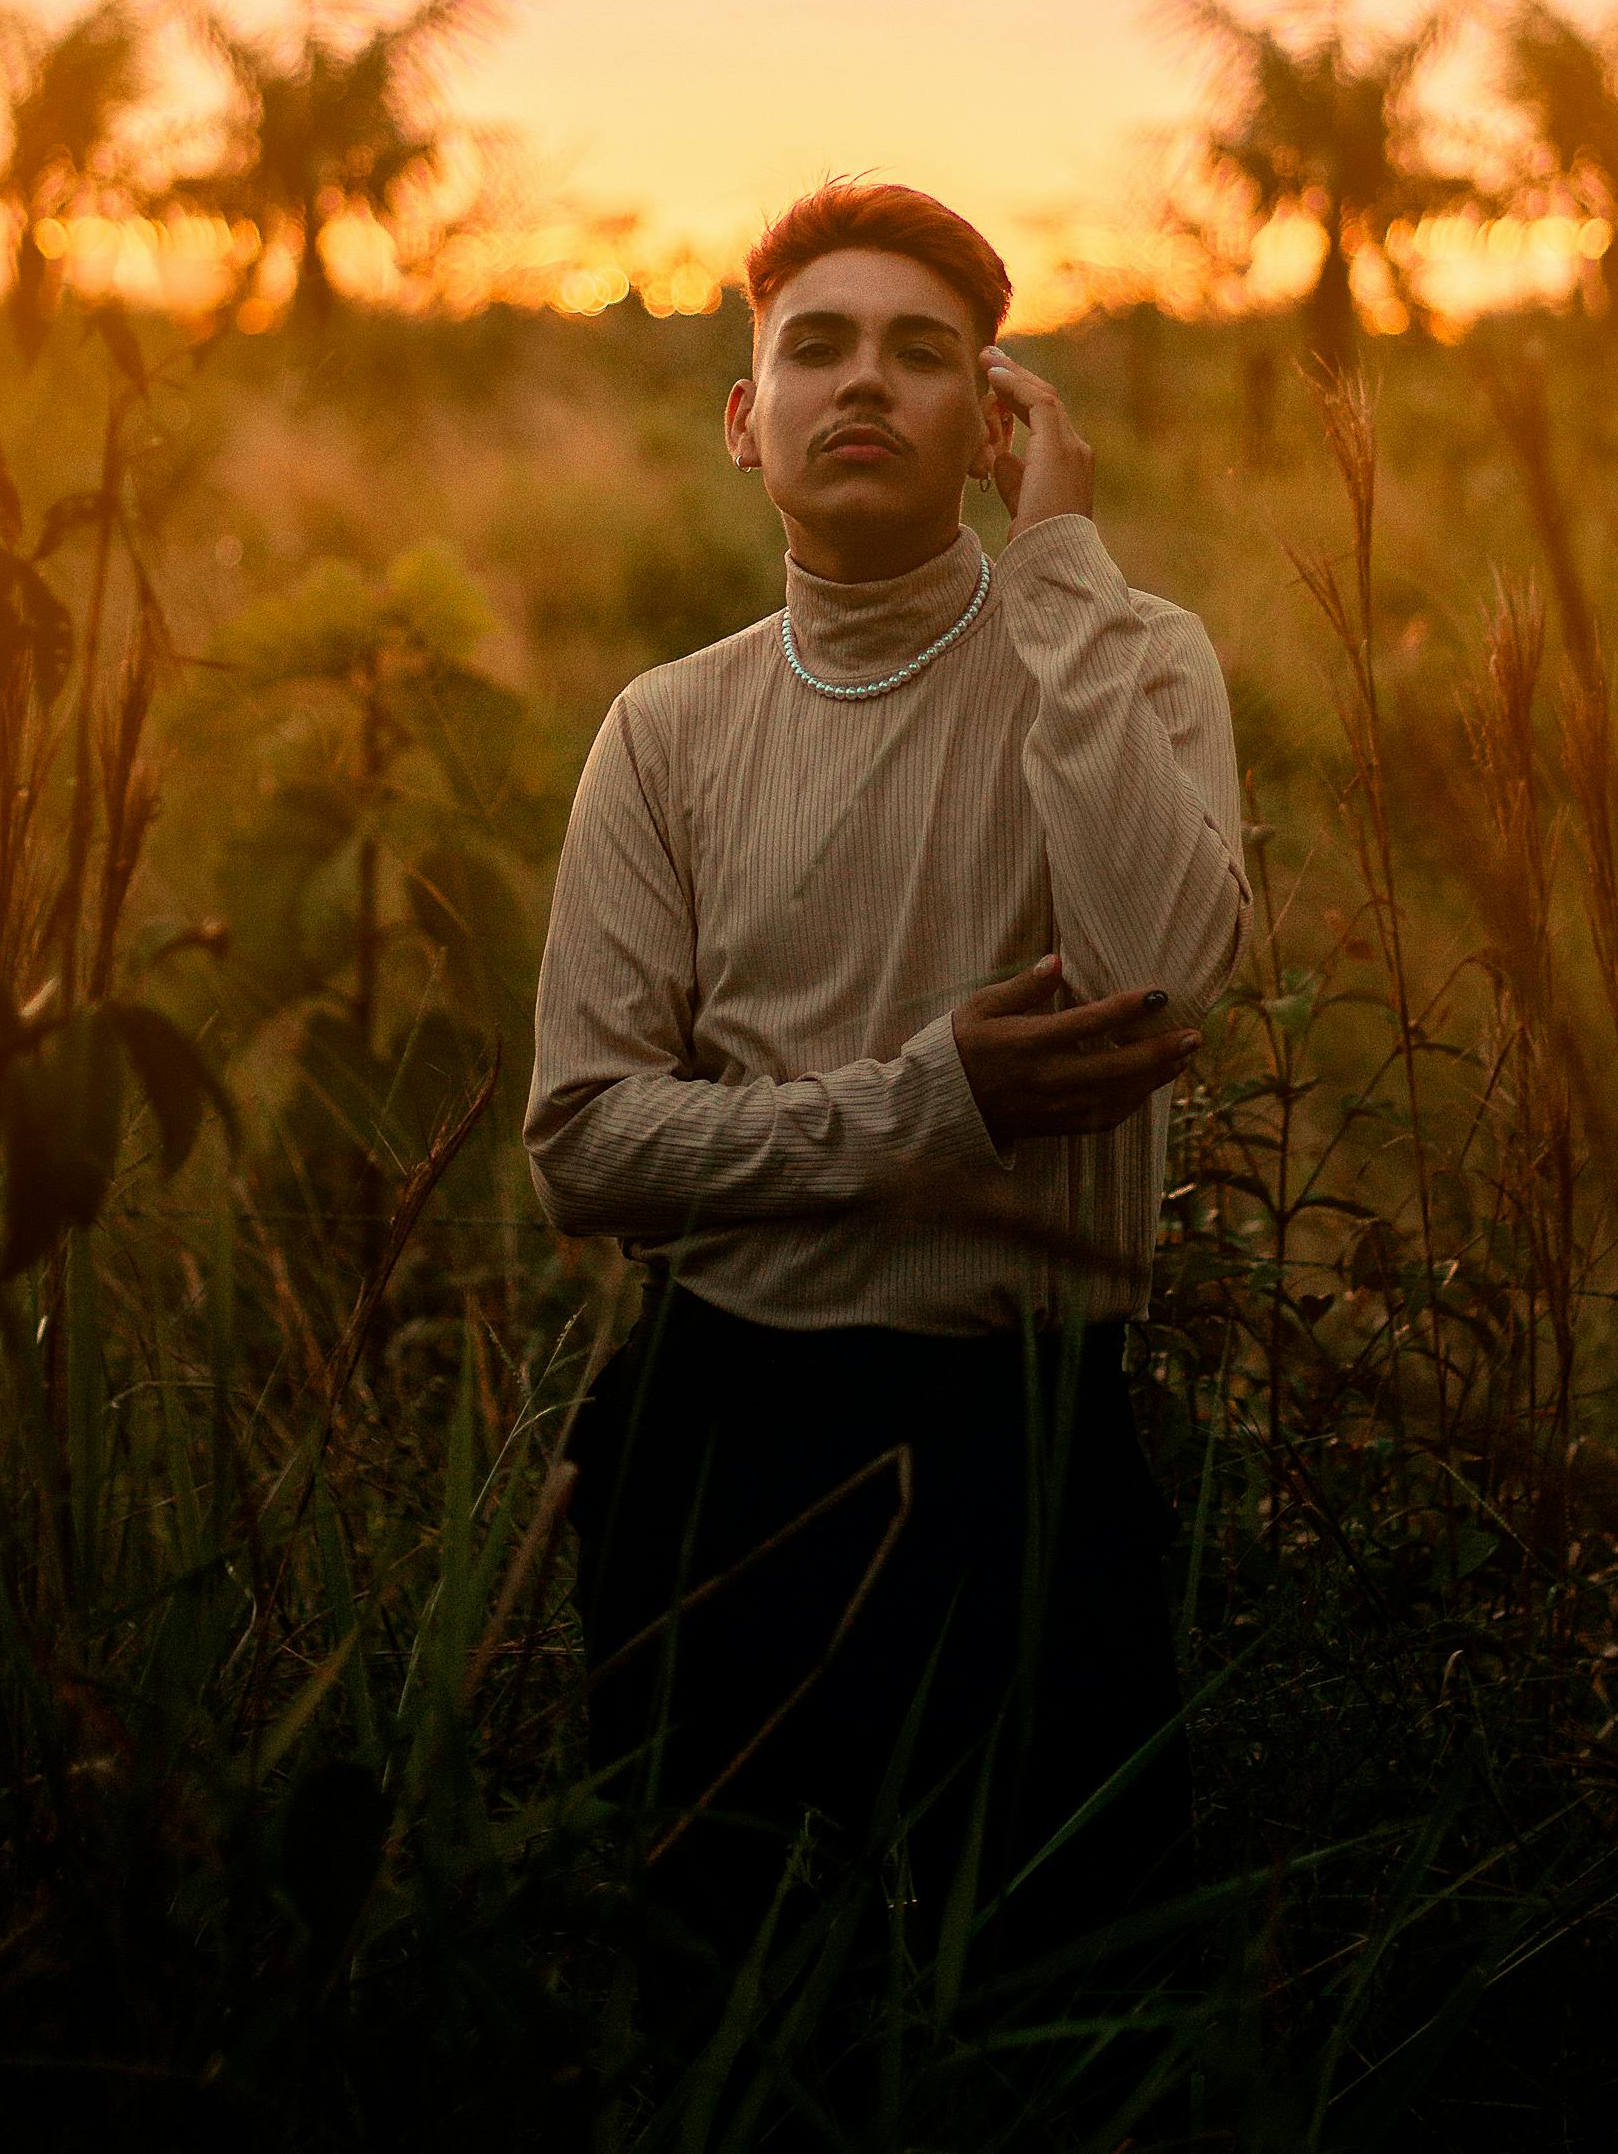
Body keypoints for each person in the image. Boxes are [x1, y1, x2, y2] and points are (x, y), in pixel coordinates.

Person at [524, 180, 1249, 2021]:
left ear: (994, 420)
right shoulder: (665, 731)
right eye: (815, 346)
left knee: (1070, 2013)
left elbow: (1164, 972)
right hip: (725, 1442)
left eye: (925, 353)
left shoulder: (1133, 657)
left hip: (1028, 1445)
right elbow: (586, 1144)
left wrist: (1064, 565)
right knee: (735, 2018)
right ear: (743, 418)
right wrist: (934, 1105)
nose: (866, 384)